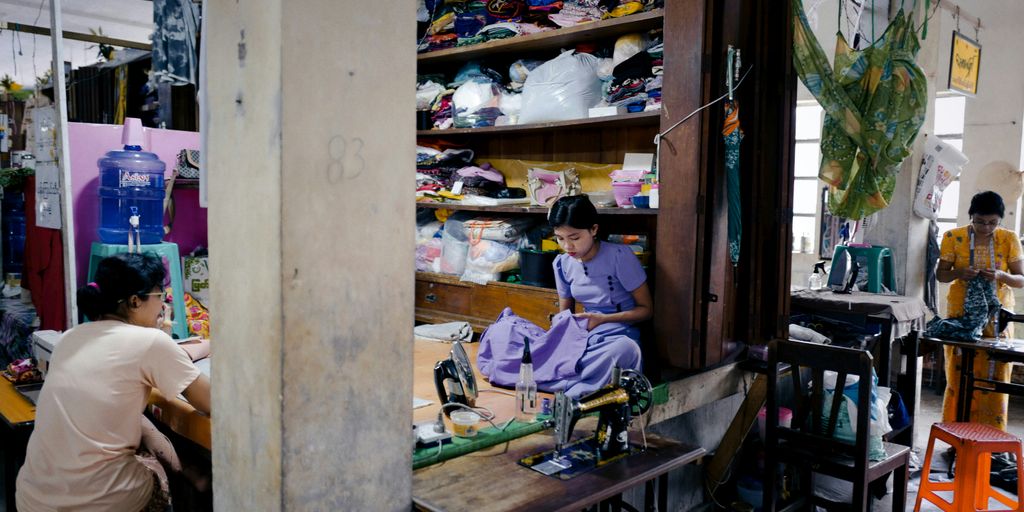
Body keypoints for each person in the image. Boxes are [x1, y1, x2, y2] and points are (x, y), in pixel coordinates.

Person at [17, 252, 211, 512]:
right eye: (160, 296)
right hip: (99, 503)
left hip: (34, 498)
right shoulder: (150, 343)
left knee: (139, 422)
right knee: (162, 471)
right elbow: (211, 402)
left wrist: (208, 344)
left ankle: (189, 472)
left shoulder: (71, 337)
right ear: (134, 301)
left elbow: (165, 353)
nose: (164, 306)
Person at [477, 195, 651, 398]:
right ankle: (566, 376)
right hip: (583, 333)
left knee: (624, 351)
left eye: (575, 238)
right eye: (560, 238)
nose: (567, 246)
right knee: (503, 330)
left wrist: (603, 319)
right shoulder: (562, 263)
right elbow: (564, 314)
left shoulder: (620, 257)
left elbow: (646, 311)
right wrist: (557, 336)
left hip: (615, 335)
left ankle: (562, 379)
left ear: (594, 230)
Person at [935, 191, 1024, 429]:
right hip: (961, 313)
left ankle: (991, 435)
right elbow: (940, 275)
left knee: (997, 371)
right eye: (980, 222)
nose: (986, 227)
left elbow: (1021, 279)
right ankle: (956, 432)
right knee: (958, 371)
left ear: (1000, 220)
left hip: (998, 315)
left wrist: (1001, 275)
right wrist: (958, 273)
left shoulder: (1009, 239)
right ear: (971, 216)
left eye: (992, 223)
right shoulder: (954, 236)